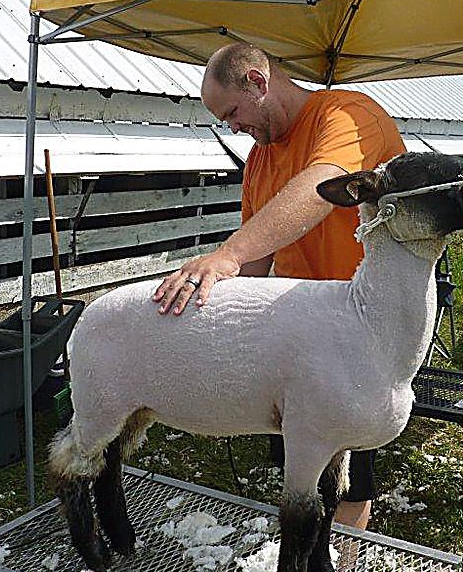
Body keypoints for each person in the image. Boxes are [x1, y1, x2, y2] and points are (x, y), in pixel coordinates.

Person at [153, 43, 406, 530]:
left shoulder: (350, 115)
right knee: (300, 460)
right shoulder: (259, 161)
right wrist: (211, 318)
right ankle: (307, 551)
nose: (233, 126)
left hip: (361, 330)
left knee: (349, 473)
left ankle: (341, 563)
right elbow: (255, 262)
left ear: (257, 82)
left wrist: (227, 252)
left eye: (232, 113)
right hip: (301, 333)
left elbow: (321, 189)